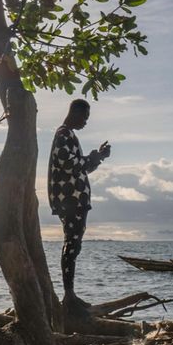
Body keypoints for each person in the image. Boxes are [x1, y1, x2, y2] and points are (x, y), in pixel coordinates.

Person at [48, 99, 110, 309]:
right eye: (84, 117)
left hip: (75, 199)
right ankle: (69, 296)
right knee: (72, 244)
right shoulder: (63, 134)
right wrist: (92, 157)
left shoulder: (69, 135)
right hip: (70, 200)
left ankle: (70, 294)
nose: (85, 122)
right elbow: (68, 164)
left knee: (74, 244)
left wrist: (98, 157)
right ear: (74, 112)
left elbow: (81, 168)